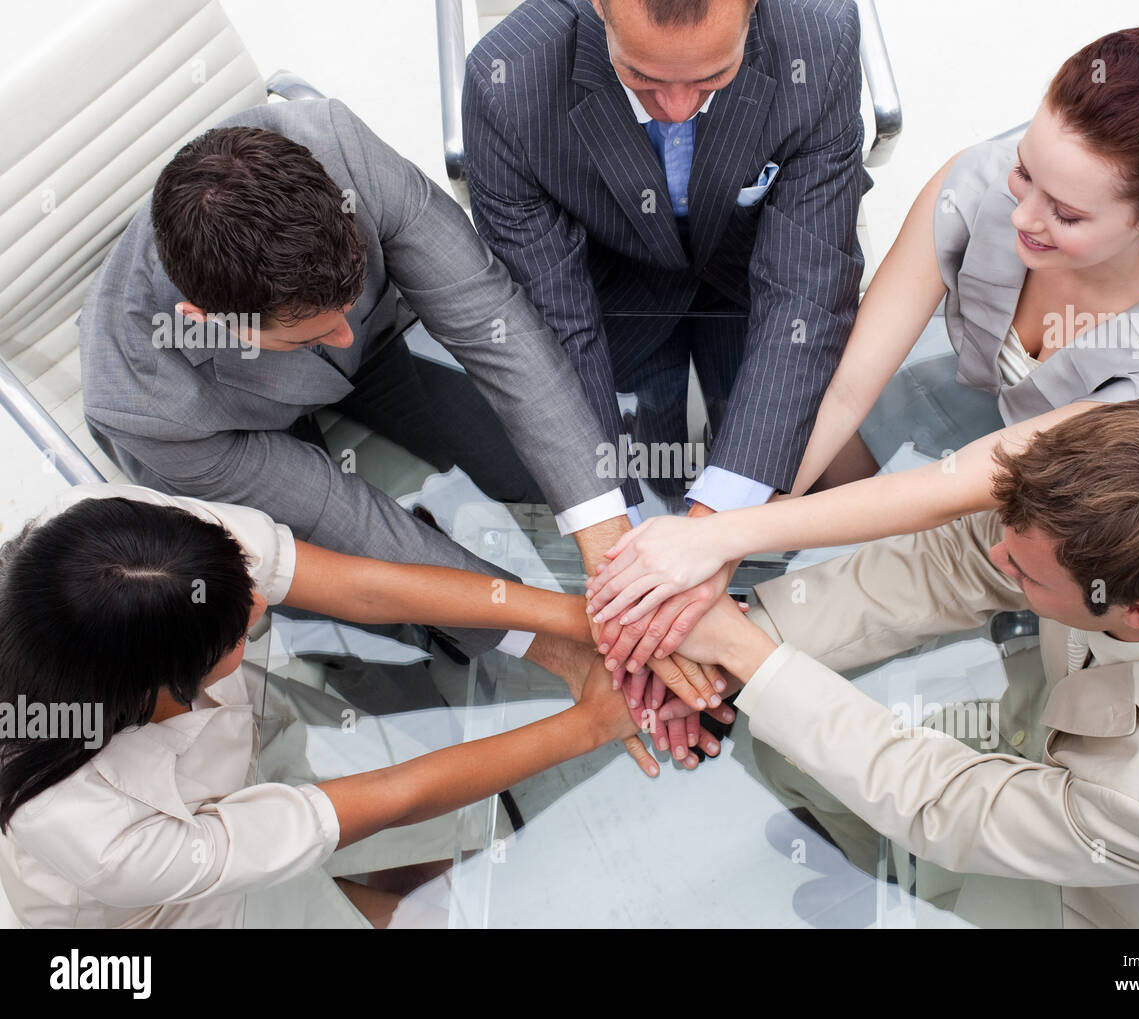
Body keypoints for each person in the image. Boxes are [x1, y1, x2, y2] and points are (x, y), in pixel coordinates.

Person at [585, 25, 1139, 658]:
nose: (1023, 215)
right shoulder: (979, 180)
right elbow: (848, 383)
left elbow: (973, 479)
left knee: (872, 607)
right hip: (987, 409)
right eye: (1026, 171)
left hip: (1103, 505)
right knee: (793, 462)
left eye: (1065, 213)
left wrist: (718, 540)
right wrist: (724, 542)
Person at [667, 401, 1139, 927]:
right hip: (1046, 742)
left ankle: (896, 883)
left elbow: (942, 804)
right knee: (799, 750)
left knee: (856, 776)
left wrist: (740, 652)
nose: (997, 560)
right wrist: (747, 634)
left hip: (1108, 905)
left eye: (1024, 574)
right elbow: (956, 558)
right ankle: (878, 869)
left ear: (1136, 612)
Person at [0, 484, 733, 928]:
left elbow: (369, 587)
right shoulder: (99, 834)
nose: (260, 600)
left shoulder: (118, 544)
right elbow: (387, 795)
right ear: (165, 690)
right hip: (175, 906)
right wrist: (589, 723)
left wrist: (589, 617)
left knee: (426, 853)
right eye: (239, 624)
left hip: (256, 740)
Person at [78, 97, 645, 668]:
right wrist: (547, 643)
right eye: (310, 334)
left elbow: (489, 322)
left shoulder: (339, 150)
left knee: (538, 474)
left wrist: (611, 548)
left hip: (384, 345)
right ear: (211, 322)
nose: (342, 335)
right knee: (372, 638)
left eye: (345, 305)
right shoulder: (146, 409)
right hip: (229, 428)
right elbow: (339, 515)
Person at [463, 0, 870, 653]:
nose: (677, 108)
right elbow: (556, 319)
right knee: (653, 463)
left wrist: (714, 532)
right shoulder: (507, 79)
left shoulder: (819, 34)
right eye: (643, 79)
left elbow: (804, 289)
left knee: (783, 460)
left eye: (711, 79)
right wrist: (629, 569)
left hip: (760, 285)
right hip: (612, 302)